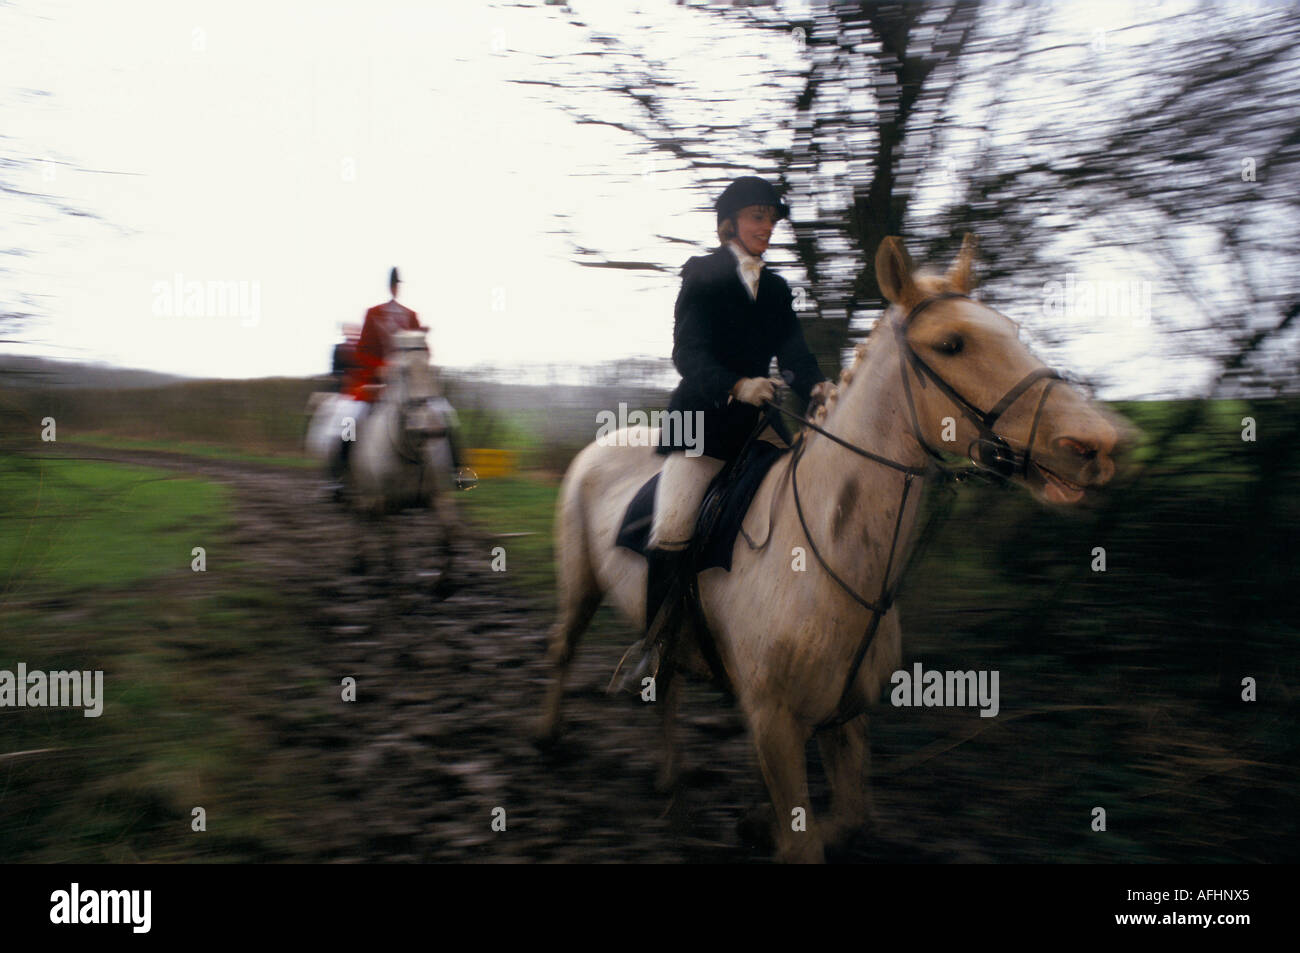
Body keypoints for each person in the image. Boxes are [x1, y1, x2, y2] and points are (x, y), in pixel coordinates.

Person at [626, 175, 832, 685]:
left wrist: (819, 386)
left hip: (758, 427)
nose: (767, 226)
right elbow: (687, 354)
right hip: (701, 423)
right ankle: (655, 647)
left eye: (771, 217)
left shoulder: (778, 287)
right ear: (730, 224)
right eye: (758, 216)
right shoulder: (702, 274)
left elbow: (795, 358)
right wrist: (737, 384)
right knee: (672, 525)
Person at [328, 268, 425, 495]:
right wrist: (380, 369)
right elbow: (362, 352)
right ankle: (340, 476)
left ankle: (453, 473)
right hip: (374, 384)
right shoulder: (373, 314)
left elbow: (421, 350)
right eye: (393, 283)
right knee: (349, 421)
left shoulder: (411, 316)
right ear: (389, 286)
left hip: (409, 388)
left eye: (398, 284)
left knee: (441, 416)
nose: (395, 287)